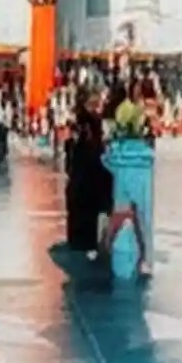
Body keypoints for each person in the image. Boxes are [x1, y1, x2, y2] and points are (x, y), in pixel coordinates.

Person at [64, 91, 114, 256]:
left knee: (81, 215)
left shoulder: (81, 123)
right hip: (88, 176)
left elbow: (71, 149)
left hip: (81, 177)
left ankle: (81, 243)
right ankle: (87, 243)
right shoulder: (90, 123)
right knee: (87, 214)